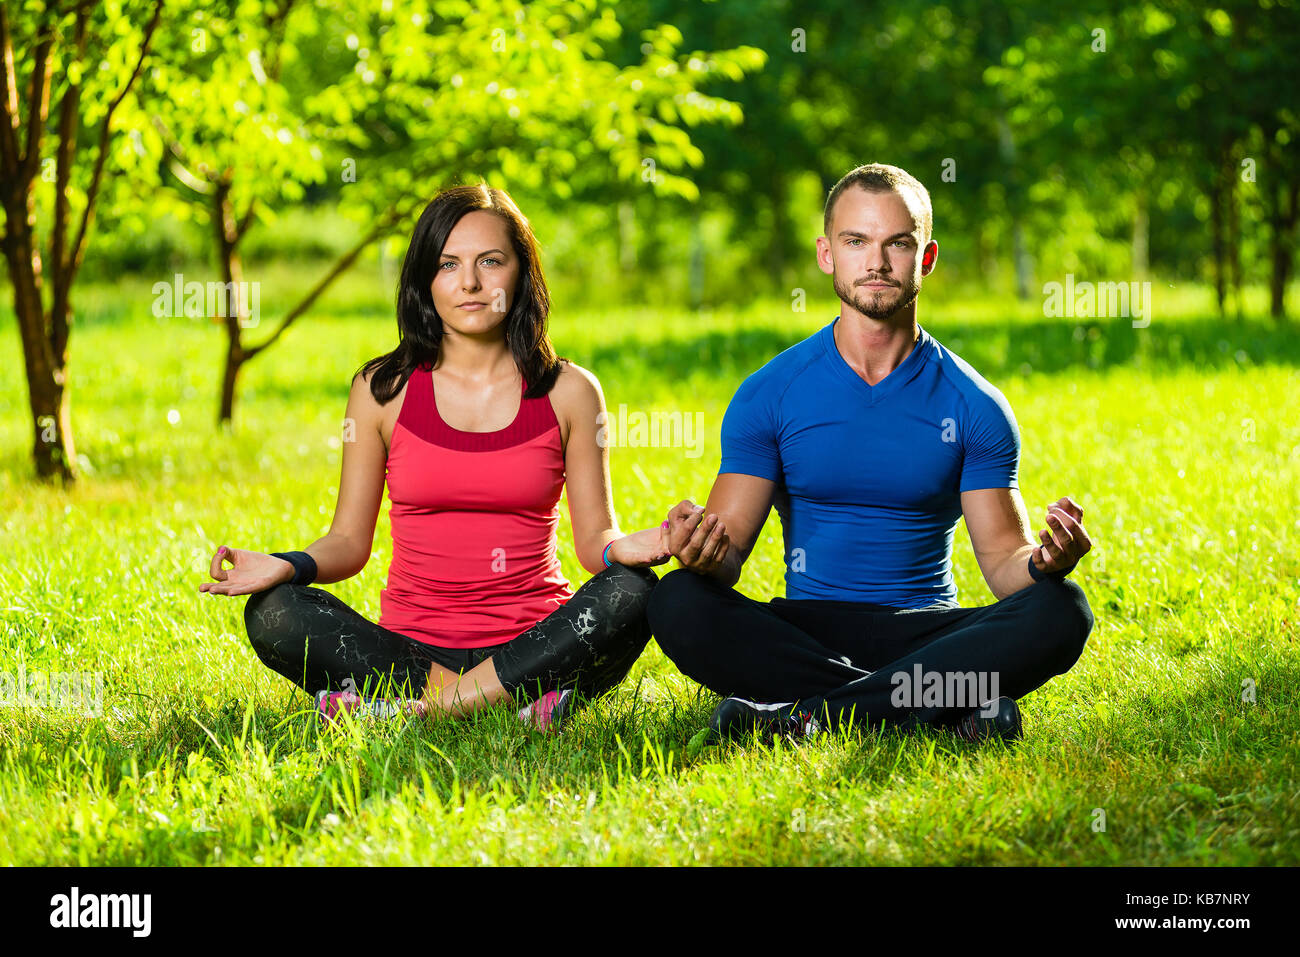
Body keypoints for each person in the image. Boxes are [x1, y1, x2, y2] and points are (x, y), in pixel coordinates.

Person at [648, 163, 1095, 744]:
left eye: (897, 244)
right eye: (856, 241)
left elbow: (1006, 564)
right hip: (807, 631)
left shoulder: (973, 404)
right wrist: (700, 551)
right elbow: (728, 556)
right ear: (826, 254)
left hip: (927, 634)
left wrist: (1043, 564)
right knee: (678, 600)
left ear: (926, 258)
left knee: (1061, 610)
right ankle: (935, 707)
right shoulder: (770, 393)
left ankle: (799, 717)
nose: (876, 263)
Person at [200, 183, 668, 730]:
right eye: (448, 264)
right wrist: (289, 564)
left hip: (536, 647)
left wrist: (641, 546)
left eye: (490, 261)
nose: (470, 282)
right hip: (409, 654)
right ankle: (498, 705)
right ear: (426, 277)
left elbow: (596, 544)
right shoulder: (381, 389)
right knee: (276, 612)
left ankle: (420, 708)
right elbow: (349, 543)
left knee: (634, 593)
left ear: (522, 273)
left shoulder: (569, 391)